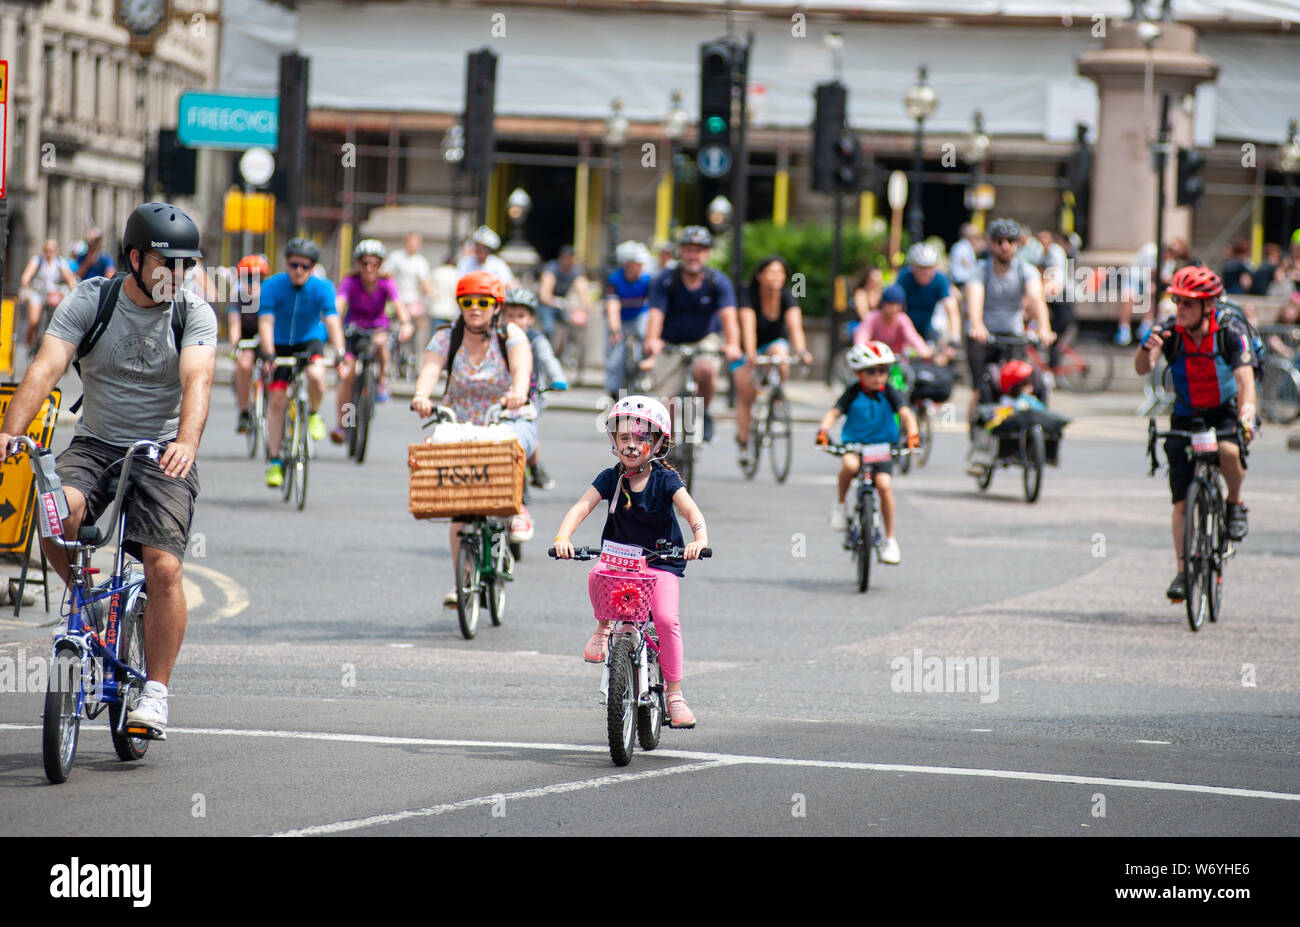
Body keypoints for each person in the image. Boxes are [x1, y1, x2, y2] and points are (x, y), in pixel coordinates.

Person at [0, 202, 218, 740]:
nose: (179, 275)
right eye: (169, 264)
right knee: (57, 516)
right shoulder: (91, 300)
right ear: (136, 258)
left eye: (187, 265)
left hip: (163, 448)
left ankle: (157, 693)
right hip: (96, 442)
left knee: (163, 567)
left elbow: (198, 381)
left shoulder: (194, 313)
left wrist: (186, 443)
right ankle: (82, 599)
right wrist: (11, 429)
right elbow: (46, 366)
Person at [552, 395, 708, 729]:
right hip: (618, 562)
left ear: (657, 444)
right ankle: (603, 625)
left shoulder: (666, 481)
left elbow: (691, 512)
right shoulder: (611, 478)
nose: (632, 445)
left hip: (660, 562)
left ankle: (675, 695)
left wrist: (699, 540)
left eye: (641, 438)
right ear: (614, 441)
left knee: (665, 620)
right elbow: (581, 507)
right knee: (595, 574)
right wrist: (562, 538)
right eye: (625, 438)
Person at [410, 271, 537, 605]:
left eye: (484, 302)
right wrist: (422, 395)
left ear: (497, 307)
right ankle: (462, 579)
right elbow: (429, 371)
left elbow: (522, 372)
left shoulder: (511, 336)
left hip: (505, 417)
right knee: (459, 507)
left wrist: (518, 395)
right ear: (460, 305)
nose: (475, 308)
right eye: (468, 302)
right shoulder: (446, 337)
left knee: (513, 445)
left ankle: (517, 505)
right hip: (460, 423)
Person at [1134, 265, 1255, 602]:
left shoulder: (1228, 332)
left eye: (1189, 303)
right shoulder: (1170, 333)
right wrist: (1147, 348)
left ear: (1207, 306)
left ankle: (1235, 505)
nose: (1180, 309)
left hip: (1224, 412)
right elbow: (1142, 368)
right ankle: (1183, 573)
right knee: (1181, 501)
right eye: (1178, 301)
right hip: (1187, 415)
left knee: (1229, 453)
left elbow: (1245, 379)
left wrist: (1247, 412)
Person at [816, 342, 919, 565]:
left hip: (882, 447)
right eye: (871, 371)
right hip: (855, 445)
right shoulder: (852, 392)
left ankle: (890, 539)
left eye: (883, 371)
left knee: (883, 485)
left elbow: (906, 414)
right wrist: (823, 431)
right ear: (858, 373)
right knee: (850, 466)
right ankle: (841, 505)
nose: (878, 377)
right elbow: (833, 413)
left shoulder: (891, 392)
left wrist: (912, 434)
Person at [257, 239, 345, 488]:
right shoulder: (273, 285)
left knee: (317, 376)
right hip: (280, 343)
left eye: (305, 267)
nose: (299, 271)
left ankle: (314, 414)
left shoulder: (323, 287)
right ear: (287, 263)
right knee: (276, 401)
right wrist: (268, 353)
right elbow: (265, 322)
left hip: (309, 340)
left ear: (313, 267)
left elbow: (332, 320)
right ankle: (275, 462)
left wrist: (339, 352)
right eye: (294, 265)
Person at [642, 226, 743, 444]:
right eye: (688, 249)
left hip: (703, 340)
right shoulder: (665, 280)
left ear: (706, 253)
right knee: (663, 402)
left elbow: (729, 317)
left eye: (698, 250)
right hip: (670, 342)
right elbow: (655, 315)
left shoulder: (718, 281)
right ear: (680, 252)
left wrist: (733, 344)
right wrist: (652, 340)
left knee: (706, 369)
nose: (693, 255)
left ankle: (704, 412)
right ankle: (667, 447)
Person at [964, 218, 1054, 429]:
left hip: (1013, 336)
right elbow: (974, 299)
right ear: (991, 244)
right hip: (983, 337)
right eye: (999, 241)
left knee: (1019, 384)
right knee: (981, 388)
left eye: (1010, 242)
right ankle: (976, 437)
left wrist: (1044, 327)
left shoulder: (1026, 270)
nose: (1005, 246)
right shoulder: (981, 270)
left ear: (1017, 244)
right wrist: (977, 325)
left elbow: (1036, 298)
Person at [733, 256, 813, 464]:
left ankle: (775, 398)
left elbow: (795, 327)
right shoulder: (748, 293)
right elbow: (747, 326)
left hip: (773, 343)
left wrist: (802, 351)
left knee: (781, 355)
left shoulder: (787, 295)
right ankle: (743, 444)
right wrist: (750, 352)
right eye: (771, 272)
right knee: (745, 395)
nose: (777, 277)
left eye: (781, 273)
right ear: (759, 275)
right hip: (747, 346)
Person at [332, 239, 413, 440]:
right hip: (353, 330)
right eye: (365, 263)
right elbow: (338, 305)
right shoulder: (350, 282)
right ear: (358, 264)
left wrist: (406, 323)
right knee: (348, 377)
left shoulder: (386, 283)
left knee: (382, 343)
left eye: (374, 264)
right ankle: (344, 424)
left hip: (377, 329)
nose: (369, 268)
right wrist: (333, 318)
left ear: (380, 265)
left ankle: (381, 382)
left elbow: (399, 305)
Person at [502, 287, 567, 491]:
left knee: (528, 429)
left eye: (520, 316)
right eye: (509, 315)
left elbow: (549, 360)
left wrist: (557, 378)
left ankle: (535, 466)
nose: (514, 321)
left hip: (531, 397)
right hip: (502, 396)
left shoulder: (536, 340)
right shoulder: (496, 338)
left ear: (531, 319)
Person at [603, 241, 653, 400]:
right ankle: (613, 389)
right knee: (616, 351)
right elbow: (612, 306)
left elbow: (654, 306)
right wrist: (615, 330)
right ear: (625, 264)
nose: (637, 268)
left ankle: (643, 377)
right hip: (620, 317)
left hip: (639, 315)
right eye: (633, 264)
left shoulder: (647, 279)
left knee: (644, 340)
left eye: (639, 264)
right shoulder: (615, 279)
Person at [228, 254, 270, 434]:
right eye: (248, 278)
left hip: (266, 334)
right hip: (246, 333)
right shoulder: (237, 295)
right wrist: (236, 345)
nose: (253, 283)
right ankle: (244, 412)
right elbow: (234, 323)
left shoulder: (270, 294)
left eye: (258, 278)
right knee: (244, 364)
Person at [19, 238, 80, 356]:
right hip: (38, 292)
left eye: (51, 250)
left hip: (54, 294)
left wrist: (73, 287)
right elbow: (26, 276)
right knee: (34, 321)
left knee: (60, 319)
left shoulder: (60, 262)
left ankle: (54, 345)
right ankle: (29, 345)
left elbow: (69, 277)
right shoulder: (37, 260)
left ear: (56, 250)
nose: (49, 253)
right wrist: (26, 282)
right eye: (46, 250)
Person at [897, 242, 961, 349]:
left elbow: (951, 308)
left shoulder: (940, 279)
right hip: (906, 326)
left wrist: (954, 337)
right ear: (912, 267)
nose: (925, 272)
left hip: (929, 326)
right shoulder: (904, 277)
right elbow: (895, 307)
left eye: (929, 267)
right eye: (921, 268)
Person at [383, 231, 435, 355]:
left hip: (413, 302)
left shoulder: (420, 262)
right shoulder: (396, 257)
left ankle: (413, 357)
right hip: (397, 300)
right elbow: (386, 274)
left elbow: (425, 282)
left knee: (416, 330)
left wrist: (430, 295)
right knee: (393, 329)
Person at [853, 284, 932, 359]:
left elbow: (913, 336)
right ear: (883, 304)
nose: (893, 308)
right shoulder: (872, 318)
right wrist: (861, 350)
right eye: (890, 304)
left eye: (897, 304)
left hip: (896, 361)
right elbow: (862, 336)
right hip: (875, 360)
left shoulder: (902, 319)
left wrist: (924, 349)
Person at [538, 244, 592, 340]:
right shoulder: (552, 268)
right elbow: (544, 294)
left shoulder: (575, 271)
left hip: (562, 305)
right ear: (561, 258)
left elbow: (582, 288)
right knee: (549, 328)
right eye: (567, 258)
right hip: (546, 305)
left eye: (571, 258)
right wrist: (555, 301)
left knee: (572, 327)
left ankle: (567, 352)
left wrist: (585, 306)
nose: (569, 261)